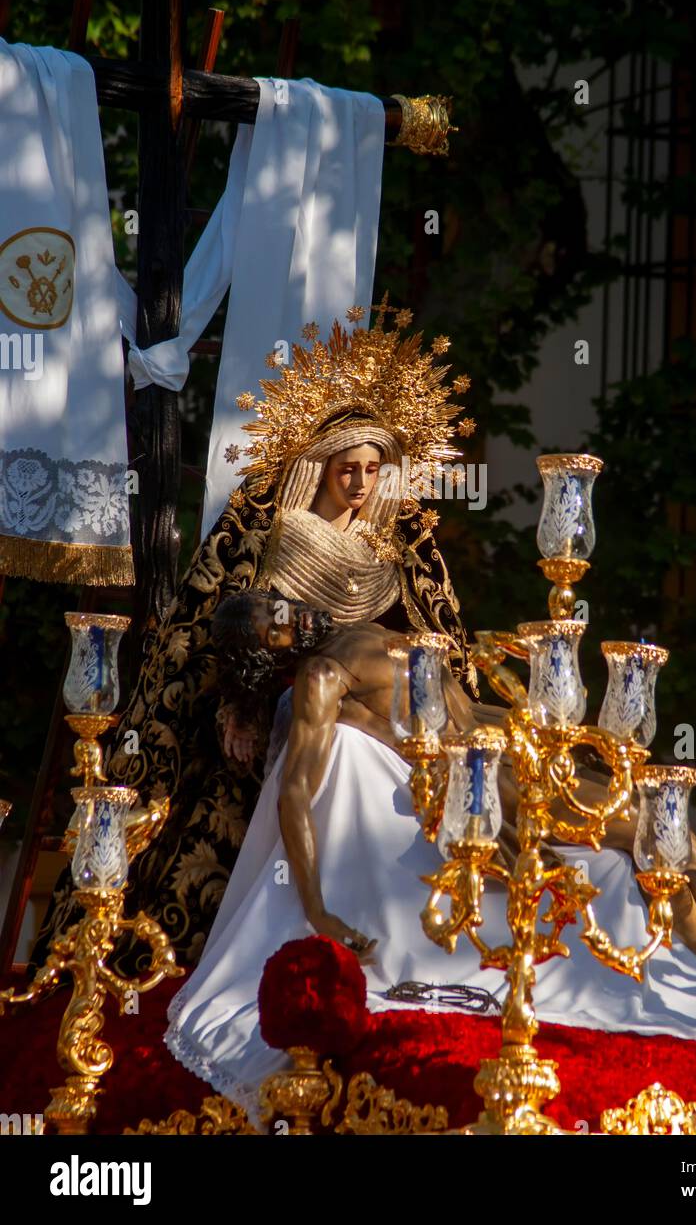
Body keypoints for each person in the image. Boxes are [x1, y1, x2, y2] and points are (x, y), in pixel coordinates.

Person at [164, 589, 696, 1123]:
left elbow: (454, 697)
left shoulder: (365, 625)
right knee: (654, 828)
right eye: (271, 624)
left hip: (513, 747)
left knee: (659, 826)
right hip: (495, 784)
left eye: (275, 601)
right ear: (271, 651)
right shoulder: (321, 678)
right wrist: (318, 910)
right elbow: (299, 795)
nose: (288, 613)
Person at [31, 313, 478, 975]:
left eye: (371, 469)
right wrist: (238, 701)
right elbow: (222, 622)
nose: (358, 482)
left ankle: (398, 926)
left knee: (390, 743)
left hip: (380, 706)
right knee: (342, 743)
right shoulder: (275, 530)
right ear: (321, 467)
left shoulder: (397, 552)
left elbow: (438, 644)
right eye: (346, 467)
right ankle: (303, 923)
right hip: (287, 704)